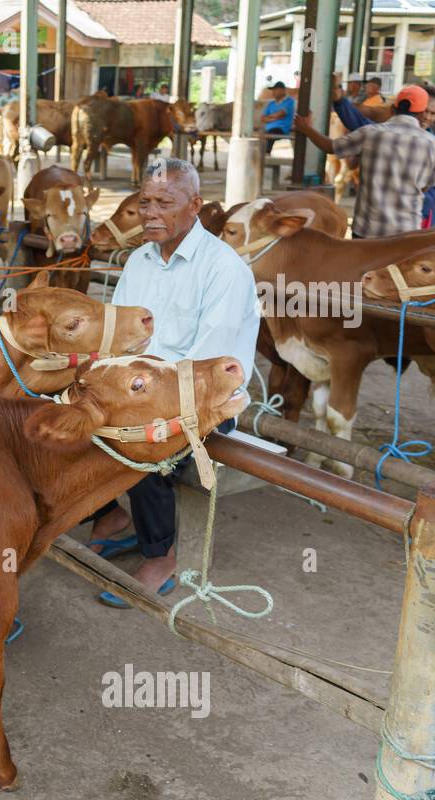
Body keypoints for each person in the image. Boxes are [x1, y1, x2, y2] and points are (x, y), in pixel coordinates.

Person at [86, 158, 260, 605]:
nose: (149, 213)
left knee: (135, 434)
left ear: (195, 206)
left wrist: (134, 390)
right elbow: (121, 336)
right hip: (144, 386)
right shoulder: (138, 261)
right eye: (145, 202)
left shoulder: (224, 269)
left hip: (205, 399)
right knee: (65, 406)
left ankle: (162, 554)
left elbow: (206, 367)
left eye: (165, 202)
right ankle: (111, 516)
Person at [295, 83, 435, 238]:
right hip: (406, 232)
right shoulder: (432, 144)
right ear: (421, 114)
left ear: (392, 109)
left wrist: (306, 129)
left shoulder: (370, 133)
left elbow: (331, 147)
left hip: (367, 230)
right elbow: (425, 187)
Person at [332, 80, 435, 229]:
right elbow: (358, 122)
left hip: (416, 222)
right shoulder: (383, 134)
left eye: (433, 113)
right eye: (424, 110)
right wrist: (340, 101)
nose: (427, 117)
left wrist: (415, 200)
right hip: (379, 222)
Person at [260, 80, 294, 153]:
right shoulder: (271, 103)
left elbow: (281, 114)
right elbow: (263, 118)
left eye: (275, 90)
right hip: (268, 129)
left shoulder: (289, 101)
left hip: (281, 129)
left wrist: (269, 117)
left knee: (271, 135)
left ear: (282, 90)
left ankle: (267, 155)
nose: (273, 92)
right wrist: (274, 118)